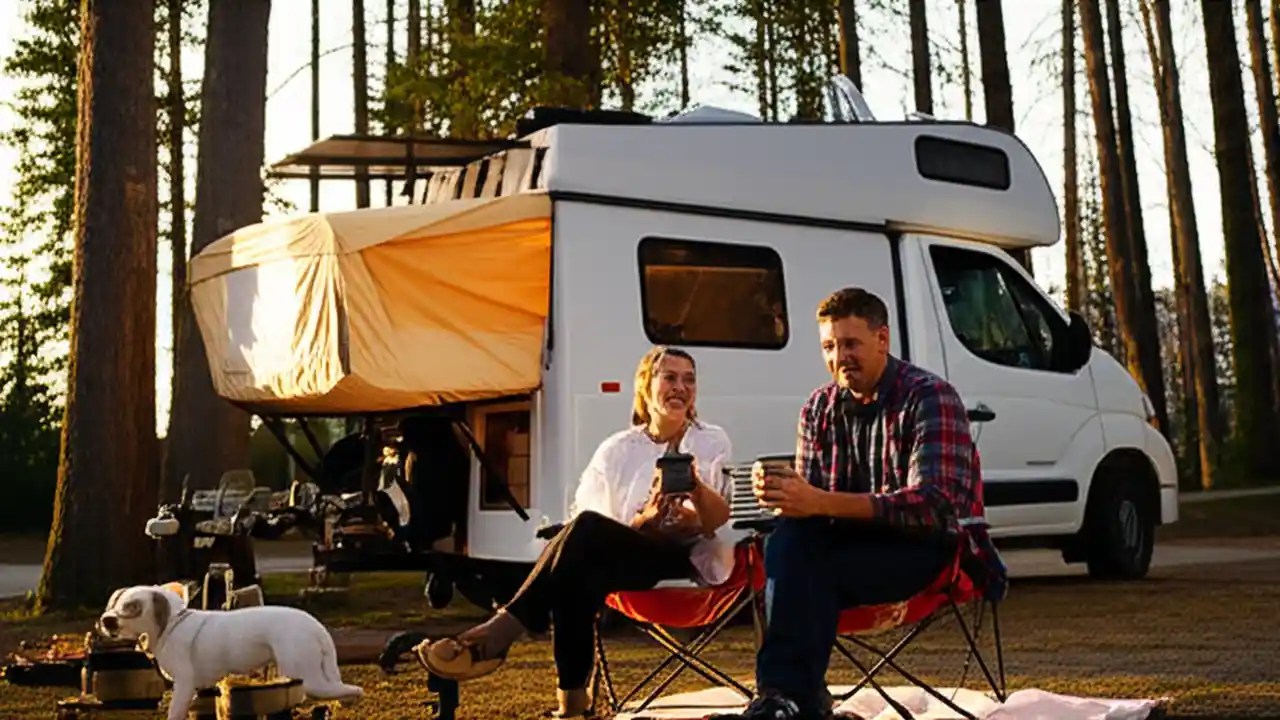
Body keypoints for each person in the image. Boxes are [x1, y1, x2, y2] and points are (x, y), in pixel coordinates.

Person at [715, 287, 999, 720]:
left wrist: (817, 501)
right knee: (788, 539)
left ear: (882, 339)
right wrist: (783, 494)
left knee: (808, 571)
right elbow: (812, 511)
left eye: (851, 344)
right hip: (845, 547)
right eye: (829, 347)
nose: (839, 357)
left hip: (920, 548)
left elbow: (934, 506)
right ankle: (783, 699)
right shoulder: (819, 408)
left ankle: (795, 702)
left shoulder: (928, 397)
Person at [416, 346, 735, 718]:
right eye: (670, 377)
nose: (680, 387)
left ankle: (500, 635)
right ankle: (572, 706)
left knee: (579, 548)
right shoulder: (617, 449)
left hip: (683, 557)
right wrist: (642, 521)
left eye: (689, 379)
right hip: (626, 554)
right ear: (646, 386)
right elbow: (593, 519)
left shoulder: (711, 440)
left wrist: (694, 486)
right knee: (578, 565)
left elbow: (716, 521)